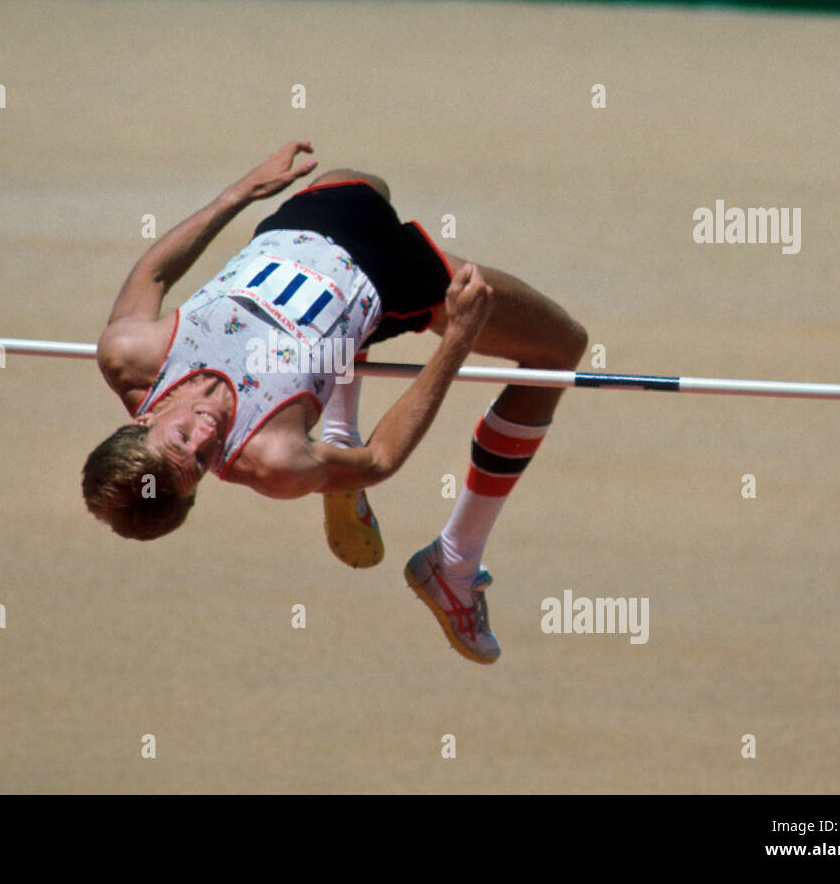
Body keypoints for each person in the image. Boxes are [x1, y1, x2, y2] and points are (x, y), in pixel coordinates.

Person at [84, 141, 587, 663]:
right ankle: (454, 565)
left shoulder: (131, 354)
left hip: (298, 231)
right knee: (561, 348)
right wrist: (458, 336)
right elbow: (379, 461)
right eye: (204, 462)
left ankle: (339, 428)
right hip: (387, 279)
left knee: (369, 180)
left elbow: (154, 275)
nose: (209, 435)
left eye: (183, 439)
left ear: (142, 419)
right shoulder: (273, 458)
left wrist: (240, 194)